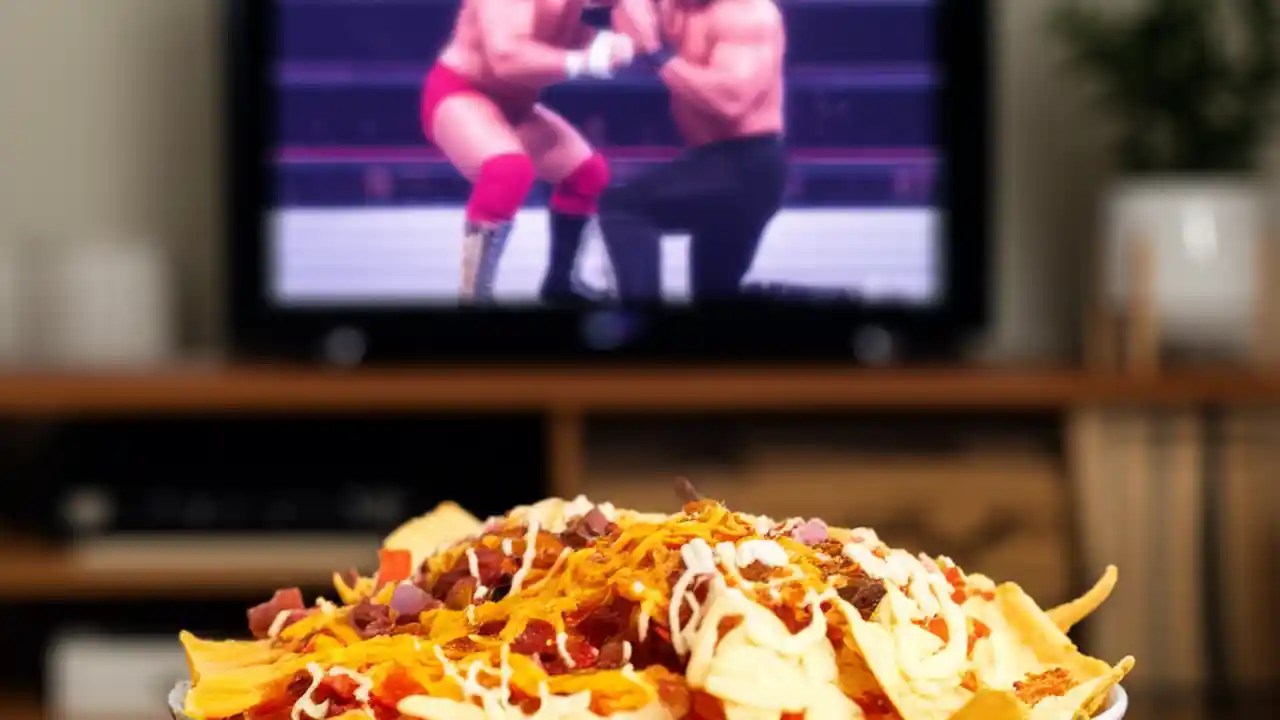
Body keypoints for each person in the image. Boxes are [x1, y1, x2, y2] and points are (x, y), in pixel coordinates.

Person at [422, 0, 635, 302]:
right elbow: (505, 57)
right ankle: (473, 299)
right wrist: (585, 62)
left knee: (588, 174)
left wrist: (603, 42)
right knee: (507, 171)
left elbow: (555, 33)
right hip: (463, 92)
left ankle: (562, 284)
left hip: (517, 105)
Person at [602, 0, 788, 301]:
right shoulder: (676, 7)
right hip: (712, 161)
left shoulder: (747, 12)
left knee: (623, 207)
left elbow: (730, 101)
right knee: (714, 299)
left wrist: (657, 56)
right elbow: (626, 17)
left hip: (746, 166)